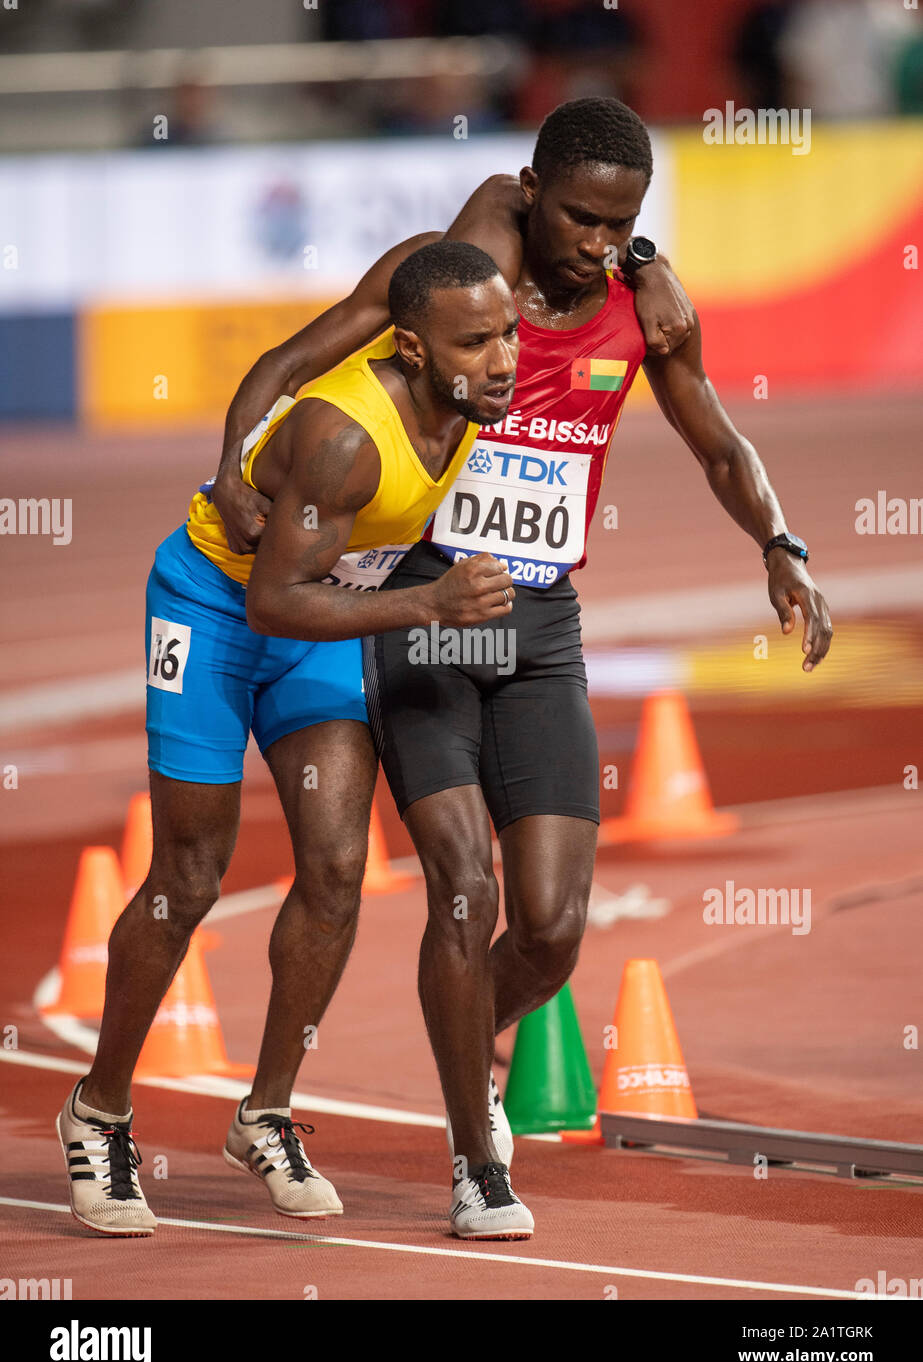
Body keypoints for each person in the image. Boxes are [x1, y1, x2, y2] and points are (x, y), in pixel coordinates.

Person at [226, 99, 834, 1241]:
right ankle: (473, 1156)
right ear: (528, 194)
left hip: (541, 626)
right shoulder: (476, 283)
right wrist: (235, 468)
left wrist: (780, 543)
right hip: (428, 611)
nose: (600, 245)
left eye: (625, 225)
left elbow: (714, 435)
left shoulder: (639, 310)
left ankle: (466, 1033)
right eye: (581, 219)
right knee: (464, 885)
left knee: (548, 926)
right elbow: (467, 236)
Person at [56, 241, 520, 1238]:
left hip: (321, 614)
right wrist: (432, 603)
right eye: (476, 342)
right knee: (189, 873)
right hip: (218, 612)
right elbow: (269, 597)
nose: (502, 359)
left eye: (508, 334)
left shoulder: (469, 396)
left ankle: (265, 1112)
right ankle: (98, 1111)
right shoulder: (345, 438)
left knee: (338, 867)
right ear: (409, 346)